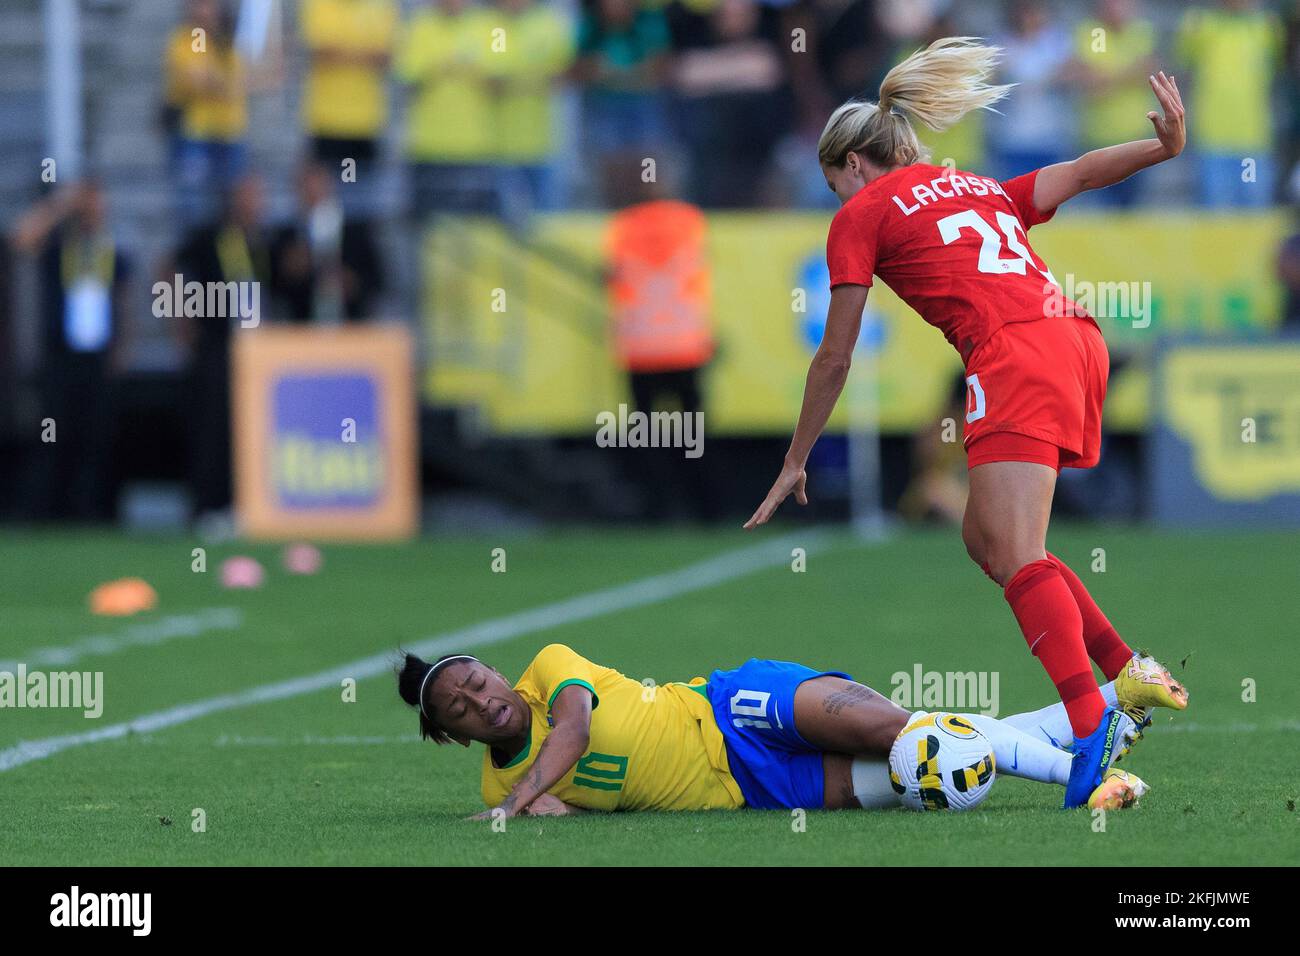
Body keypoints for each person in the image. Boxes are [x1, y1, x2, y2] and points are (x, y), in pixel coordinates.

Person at [743, 38, 1189, 807]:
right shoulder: (972, 186)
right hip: (1075, 339)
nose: (836, 201)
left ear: (852, 167)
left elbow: (834, 357)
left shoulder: (863, 213)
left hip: (1014, 353)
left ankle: (1092, 732)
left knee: (1017, 553)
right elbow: (1080, 173)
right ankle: (1125, 669)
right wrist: (1162, 147)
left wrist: (795, 457)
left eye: (832, 186)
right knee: (987, 539)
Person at [395, 642, 1186, 817]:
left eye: (475, 682)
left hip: (730, 706)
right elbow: (555, 806)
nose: (479, 702)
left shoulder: (548, 669)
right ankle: (1116, 703)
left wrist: (518, 802)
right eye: (457, 710)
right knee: (923, 775)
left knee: (902, 732)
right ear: (451, 736)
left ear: (497, 672)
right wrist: (530, 807)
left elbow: (570, 731)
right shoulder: (498, 781)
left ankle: (1087, 777)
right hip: (753, 790)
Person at [11, 181, 132, 521]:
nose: (94, 211)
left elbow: (122, 299)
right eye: (88, 204)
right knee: (50, 435)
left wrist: (121, 349)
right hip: (60, 357)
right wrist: (62, 205)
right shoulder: (58, 245)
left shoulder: (111, 249)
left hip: (97, 358)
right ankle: (41, 513)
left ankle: (88, 513)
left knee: (94, 439)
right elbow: (21, 239)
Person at [171, 174, 273, 521]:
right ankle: (205, 508)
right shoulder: (210, 237)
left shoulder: (260, 241)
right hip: (216, 347)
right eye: (249, 198)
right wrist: (182, 321)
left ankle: (238, 506)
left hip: (253, 351)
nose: (256, 206)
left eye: (258, 198)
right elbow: (170, 268)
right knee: (212, 427)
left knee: (245, 428)